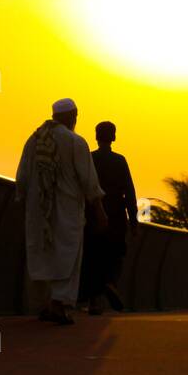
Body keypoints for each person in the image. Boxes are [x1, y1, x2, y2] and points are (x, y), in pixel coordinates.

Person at [15, 98, 107, 325]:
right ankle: (58, 305)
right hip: (67, 211)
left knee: (43, 253)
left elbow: (22, 178)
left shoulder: (34, 140)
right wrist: (100, 212)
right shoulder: (75, 141)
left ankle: (46, 304)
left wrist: (25, 205)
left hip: (39, 211)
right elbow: (89, 182)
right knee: (67, 256)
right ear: (72, 115)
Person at [79, 121, 138, 315]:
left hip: (92, 214)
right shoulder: (120, 161)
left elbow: (81, 186)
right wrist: (134, 220)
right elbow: (129, 192)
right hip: (116, 215)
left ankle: (95, 301)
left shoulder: (89, 159)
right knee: (116, 254)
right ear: (113, 137)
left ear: (96, 136)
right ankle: (110, 283)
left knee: (92, 257)